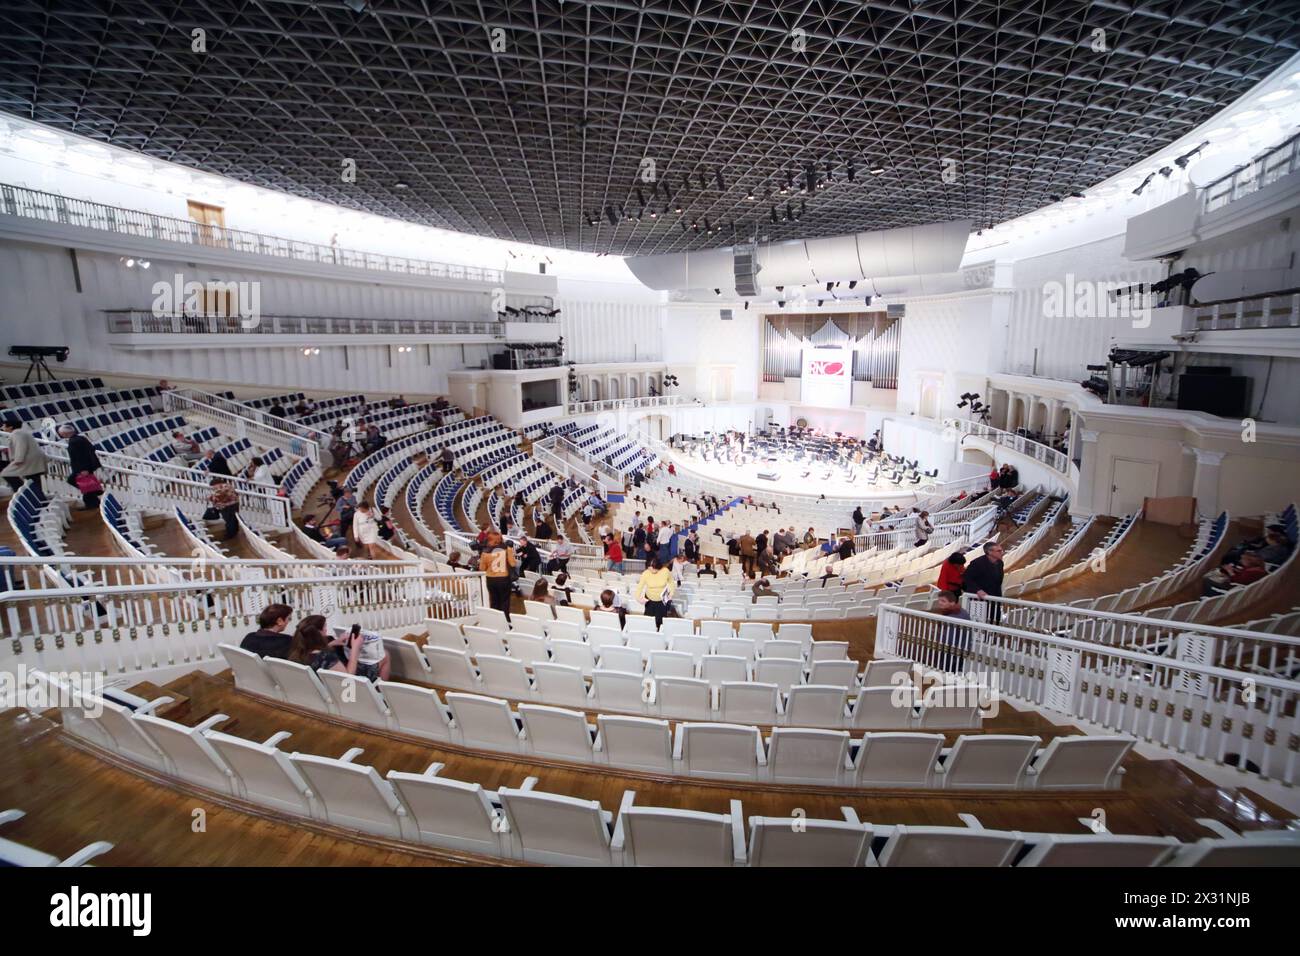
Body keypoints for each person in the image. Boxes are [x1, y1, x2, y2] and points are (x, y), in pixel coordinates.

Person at [288, 615, 357, 675]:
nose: (326, 630)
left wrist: (332, 643)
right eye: (325, 626)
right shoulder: (327, 657)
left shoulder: (296, 654)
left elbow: (316, 652)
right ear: (318, 632)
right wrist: (355, 648)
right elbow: (348, 678)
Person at [59, 424, 102, 510]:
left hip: (83, 468)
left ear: (65, 433)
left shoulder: (73, 442)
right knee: (86, 485)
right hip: (88, 466)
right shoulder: (81, 438)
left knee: (80, 483)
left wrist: (83, 469)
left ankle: (92, 501)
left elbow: (80, 456)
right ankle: (93, 499)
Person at [962, 541, 1005, 622]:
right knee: (980, 621)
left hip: (995, 598)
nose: (1002, 553)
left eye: (1002, 550)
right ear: (989, 552)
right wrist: (977, 590)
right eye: (999, 551)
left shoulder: (1000, 563)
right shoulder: (977, 563)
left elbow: (998, 581)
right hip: (979, 599)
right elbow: (967, 578)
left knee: (995, 620)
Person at [1, 418, 46, 496]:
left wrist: (18, 461)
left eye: (4, 426)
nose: (2, 428)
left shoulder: (17, 434)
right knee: (34, 481)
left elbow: (21, 448)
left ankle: (32, 496)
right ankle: (33, 495)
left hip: (29, 461)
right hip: (33, 460)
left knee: (33, 482)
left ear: (10, 427)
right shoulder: (20, 433)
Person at [478, 530, 517, 620]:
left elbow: (482, 569)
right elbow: (513, 564)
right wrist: (510, 553)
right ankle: (506, 621)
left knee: (494, 601)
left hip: (491, 580)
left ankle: (495, 621)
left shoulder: (485, 553)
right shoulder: (507, 549)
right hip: (504, 579)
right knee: (505, 601)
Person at [933, 590, 972, 672]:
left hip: (954, 651)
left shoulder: (952, 618)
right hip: (962, 649)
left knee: (946, 671)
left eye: (943, 601)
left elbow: (949, 639)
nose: (940, 603)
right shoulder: (961, 611)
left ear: (952, 603)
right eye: (939, 600)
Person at [635, 557, 676, 627]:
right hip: (650, 599)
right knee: (649, 620)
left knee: (660, 620)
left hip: (662, 599)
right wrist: (638, 598)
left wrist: (671, 593)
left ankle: (659, 633)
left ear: (658, 567)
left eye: (654, 569)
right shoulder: (645, 573)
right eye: (649, 569)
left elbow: (671, 582)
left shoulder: (665, 571)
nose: (652, 571)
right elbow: (639, 587)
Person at [1203, 552, 1267, 596]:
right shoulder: (1257, 568)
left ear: (1249, 561)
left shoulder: (1253, 572)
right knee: (1215, 574)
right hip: (1238, 585)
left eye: (1242, 559)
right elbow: (1242, 575)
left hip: (1237, 588)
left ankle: (1211, 595)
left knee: (1206, 579)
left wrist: (1230, 571)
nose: (1241, 561)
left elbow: (1239, 581)